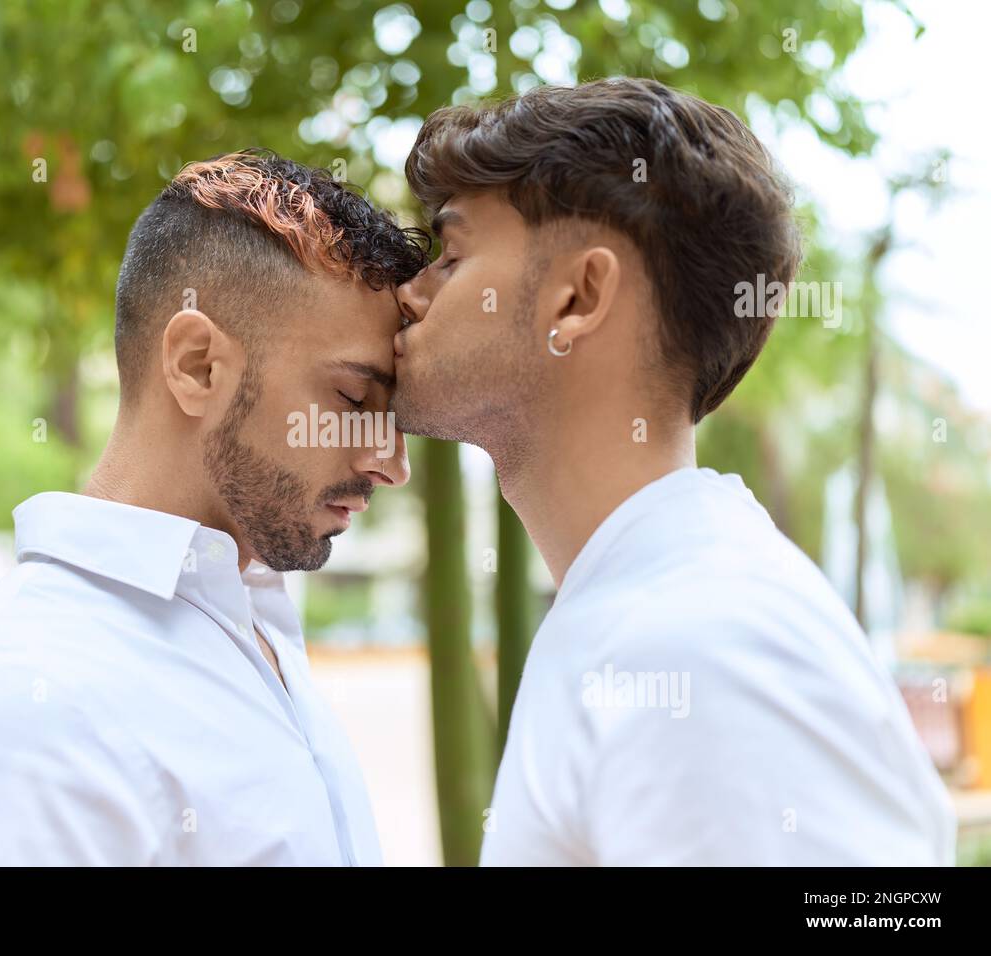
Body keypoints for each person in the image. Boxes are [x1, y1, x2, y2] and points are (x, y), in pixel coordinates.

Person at [390, 78, 955, 865]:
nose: (410, 293)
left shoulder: (703, 644)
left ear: (578, 297)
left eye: (450, 256)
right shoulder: (642, 611)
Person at [0, 151, 428, 865]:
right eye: (351, 400)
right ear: (197, 366)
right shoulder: (8, 704)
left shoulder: (254, 631)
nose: (392, 463)